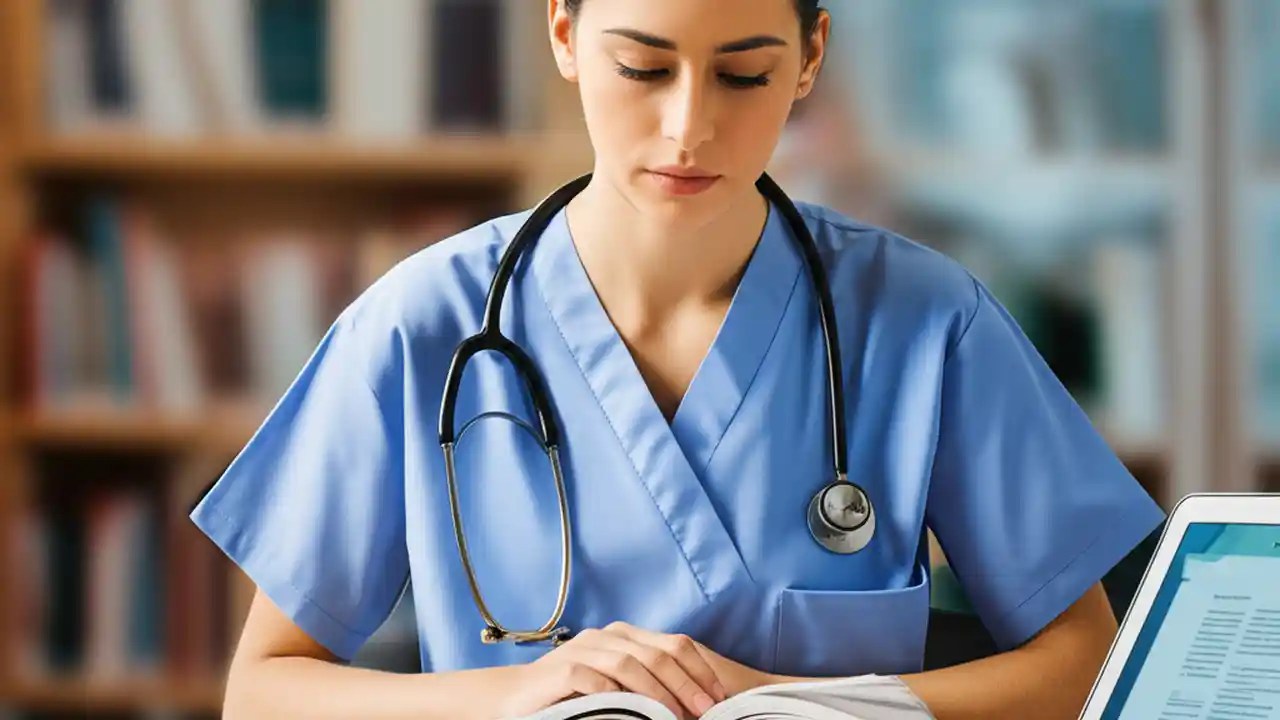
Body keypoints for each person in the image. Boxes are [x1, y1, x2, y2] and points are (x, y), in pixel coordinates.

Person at [190, 1, 1166, 718]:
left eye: (743, 76)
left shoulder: (926, 324)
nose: (688, 127)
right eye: (643, 68)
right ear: (564, 34)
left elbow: (1084, 663)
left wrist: (807, 706)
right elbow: (264, 693)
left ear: (809, 58)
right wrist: (515, 694)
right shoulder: (419, 325)